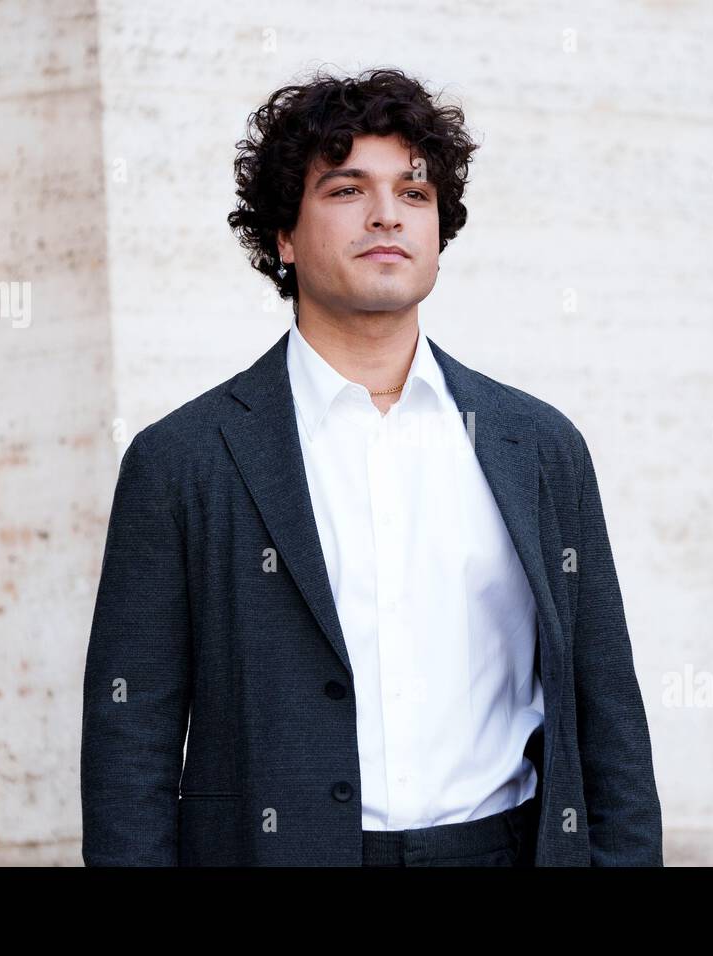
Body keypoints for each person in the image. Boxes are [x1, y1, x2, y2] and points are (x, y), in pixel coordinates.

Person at [81, 67, 662, 867]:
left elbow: (609, 715)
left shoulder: (539, 445)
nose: (387, 213)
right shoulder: (183, 460)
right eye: (348, 190)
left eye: (415, 193)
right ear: (284, 236)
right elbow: (130, 744)